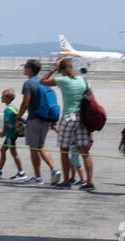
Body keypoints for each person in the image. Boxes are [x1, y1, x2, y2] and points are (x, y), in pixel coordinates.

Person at [40, 57, 94, 191]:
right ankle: (89, 182)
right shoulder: (83, 80)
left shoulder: (63, 80)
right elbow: (92, 97)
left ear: (62, 69)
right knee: (84, 152)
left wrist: (53, 69)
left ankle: (66, 180)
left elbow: (42, 81)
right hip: (81, 118)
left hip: (68, 117)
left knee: (64, 151)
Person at [15, 58, 61, 186]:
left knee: (33, 148)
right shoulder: (42, 82)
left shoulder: (28, 83)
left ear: (30, 69)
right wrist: (53, 69)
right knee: (40, 146)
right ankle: (54, 169)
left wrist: (18, 118)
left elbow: (25, 103)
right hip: (46, 119)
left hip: (34, 119)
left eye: (25, 66)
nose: (24, 68)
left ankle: (38, 177)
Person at [0, 89, 27, 180]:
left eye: (3, 96)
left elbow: (6, 123)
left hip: (10, 135)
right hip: (13, 134)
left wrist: (3, 132)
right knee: (3, 150)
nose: (1, 98)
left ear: (8, 98)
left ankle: (21, 172)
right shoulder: (13, 108)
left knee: (13, 153)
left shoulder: (7, 110)